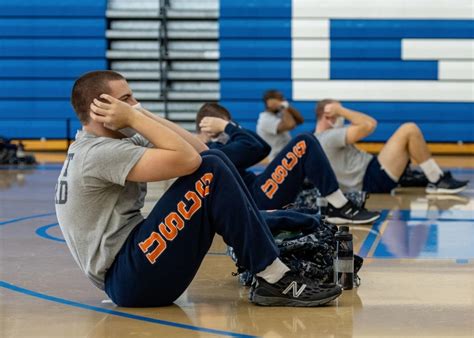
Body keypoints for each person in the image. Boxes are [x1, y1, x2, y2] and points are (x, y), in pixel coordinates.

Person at [55, 70, 342, 308]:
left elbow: (200, 150)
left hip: (136, 271)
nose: (136, 104)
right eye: (127, 99)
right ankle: (275, 278)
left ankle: (268, 261)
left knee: (214, 160)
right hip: (130, 278)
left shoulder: (112, 142)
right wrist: (135, 119)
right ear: (100, 108)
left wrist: (140, 114)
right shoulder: (98, 152)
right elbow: (191, 161)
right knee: (211, 169)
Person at [196, 103, 380, 224]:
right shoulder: (209, 152)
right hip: (257, 201)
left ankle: (337, 205)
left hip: (258, 193)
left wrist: (229, 126)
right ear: (206, 127)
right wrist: (227, 127)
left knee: (305, 142)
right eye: (221, 126)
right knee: (304, 142)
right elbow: (254, 147)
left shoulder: (216, 148)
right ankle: (340, 207)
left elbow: (263, 147)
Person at [314, 100, 468, 194]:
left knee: (408, 250)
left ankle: (416, 176)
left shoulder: (318, 139)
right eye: (339, 114)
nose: (343, 118)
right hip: (371, 177)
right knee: (409, 129)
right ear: (328, 115)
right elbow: (369, 125)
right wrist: (341, 110)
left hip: (369, 175)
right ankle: (436, 179)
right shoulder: (328, 137)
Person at [256, 90, 304, 160]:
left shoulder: (279, 114)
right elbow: (290, 125)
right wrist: (282, 107)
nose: (283, 102)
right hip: (277, 160)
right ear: (269, 102)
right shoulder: (265, 119)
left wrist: (287, 106)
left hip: (287, 156)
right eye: (280, 100)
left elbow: (300, 120)